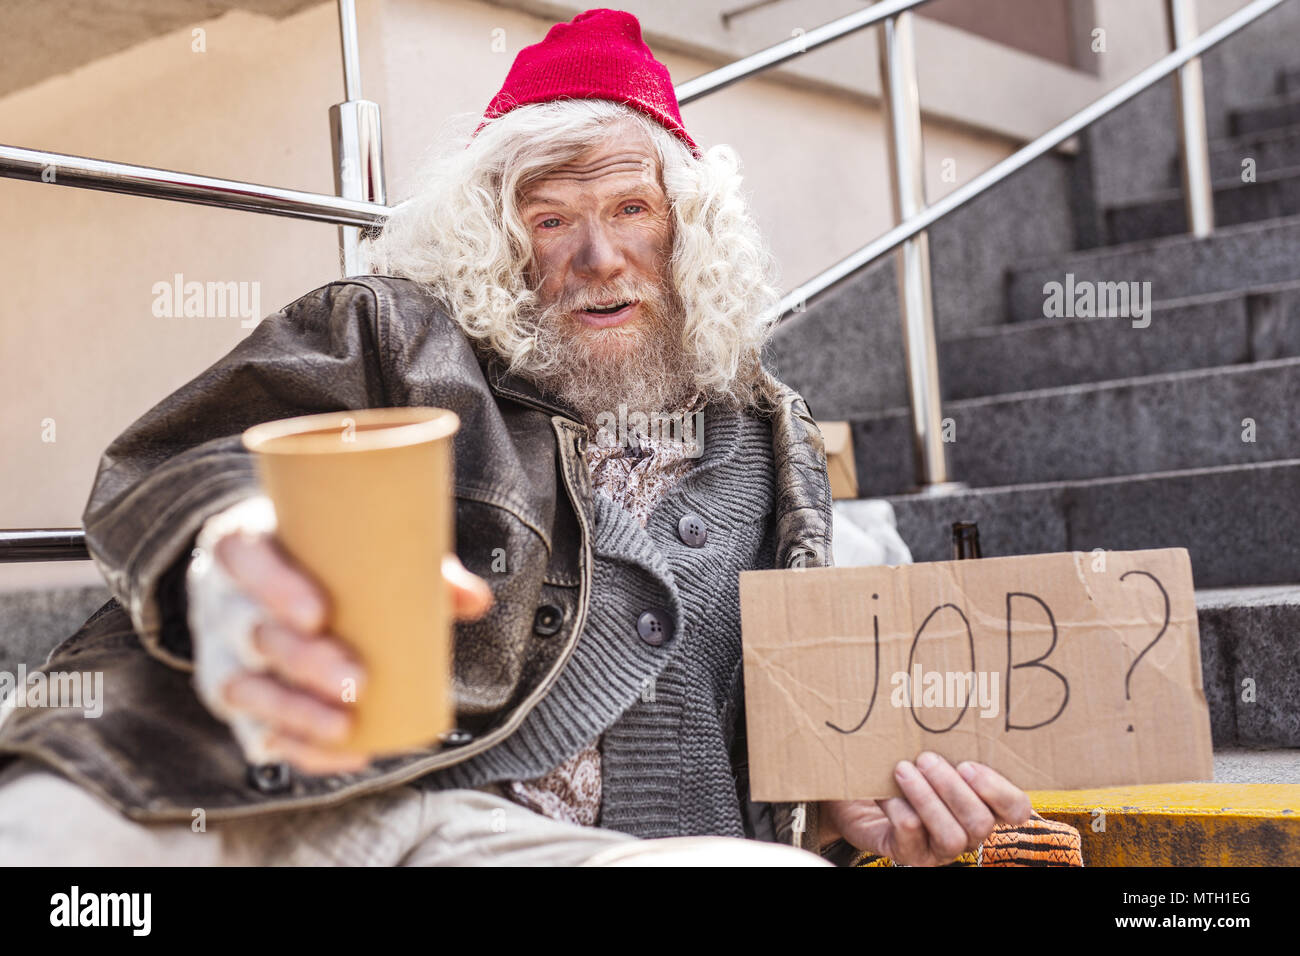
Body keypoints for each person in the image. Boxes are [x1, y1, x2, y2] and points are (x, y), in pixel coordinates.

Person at [0, 8, 1031, 866]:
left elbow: (789, 728)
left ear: (688, 228)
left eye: (631, 206)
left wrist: (840, 810)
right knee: (47, 843)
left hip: (570, 852)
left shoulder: (774, 437)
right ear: (496, 238)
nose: (595, 254)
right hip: (300, 802)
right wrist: (233, 548)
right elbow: (182, 462)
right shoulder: (390, 334)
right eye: (550, 219)